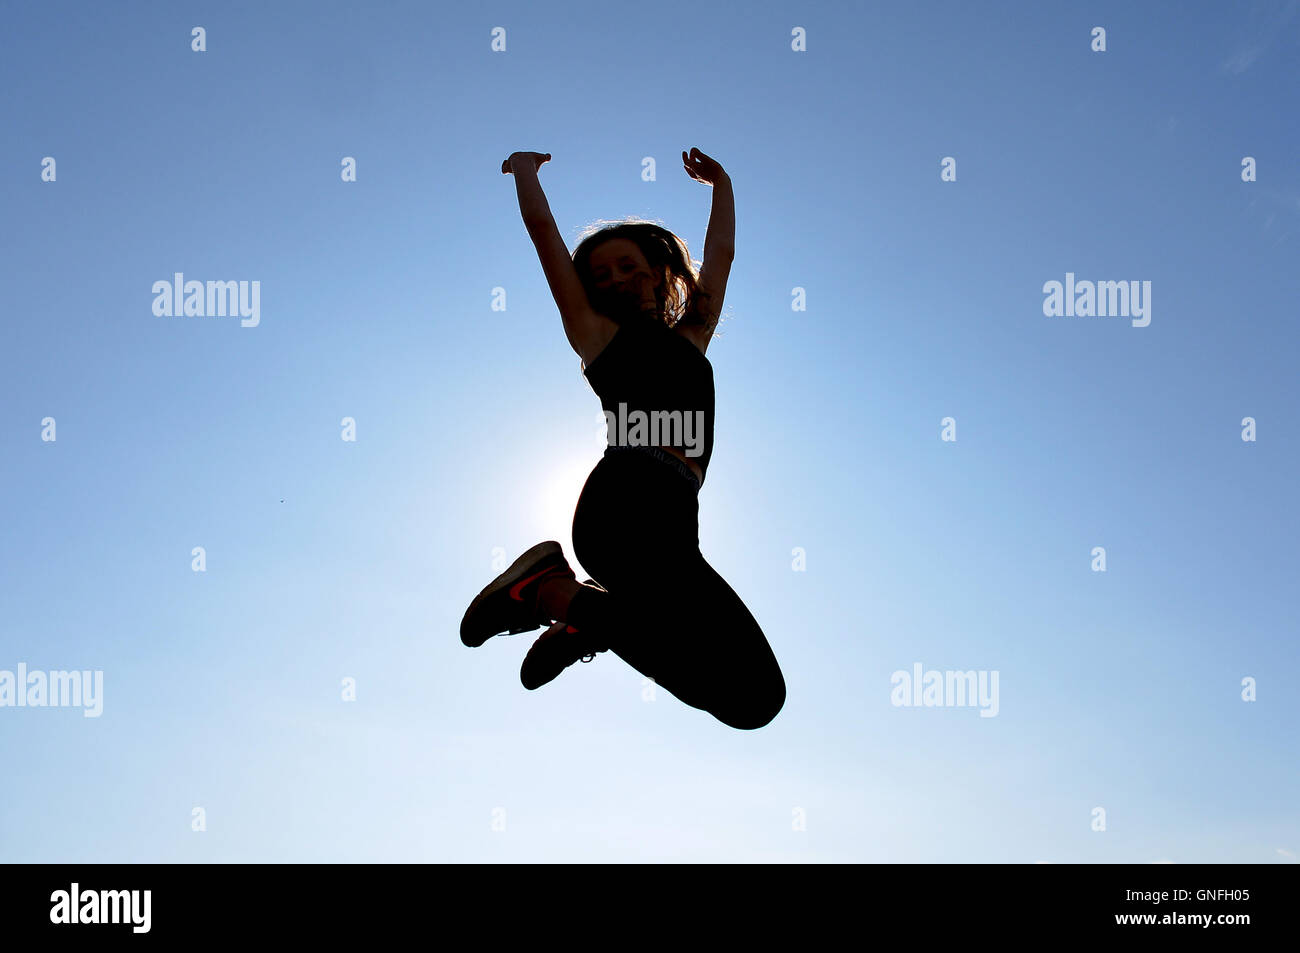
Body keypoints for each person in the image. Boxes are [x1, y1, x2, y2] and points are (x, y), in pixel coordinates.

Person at [460, 147, 785, 731]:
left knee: (755, 698)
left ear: (660, 272)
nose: (616, 279)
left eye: (628, 266)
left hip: (675, 521)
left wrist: (723, 185)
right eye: (601, 276)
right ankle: (554, 598)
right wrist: (526, 174)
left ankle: (585, 615)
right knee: (751, 700)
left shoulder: (693, 337)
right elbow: (544, 239)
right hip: (625, 505)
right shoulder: (598, 336)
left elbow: (722, 255)